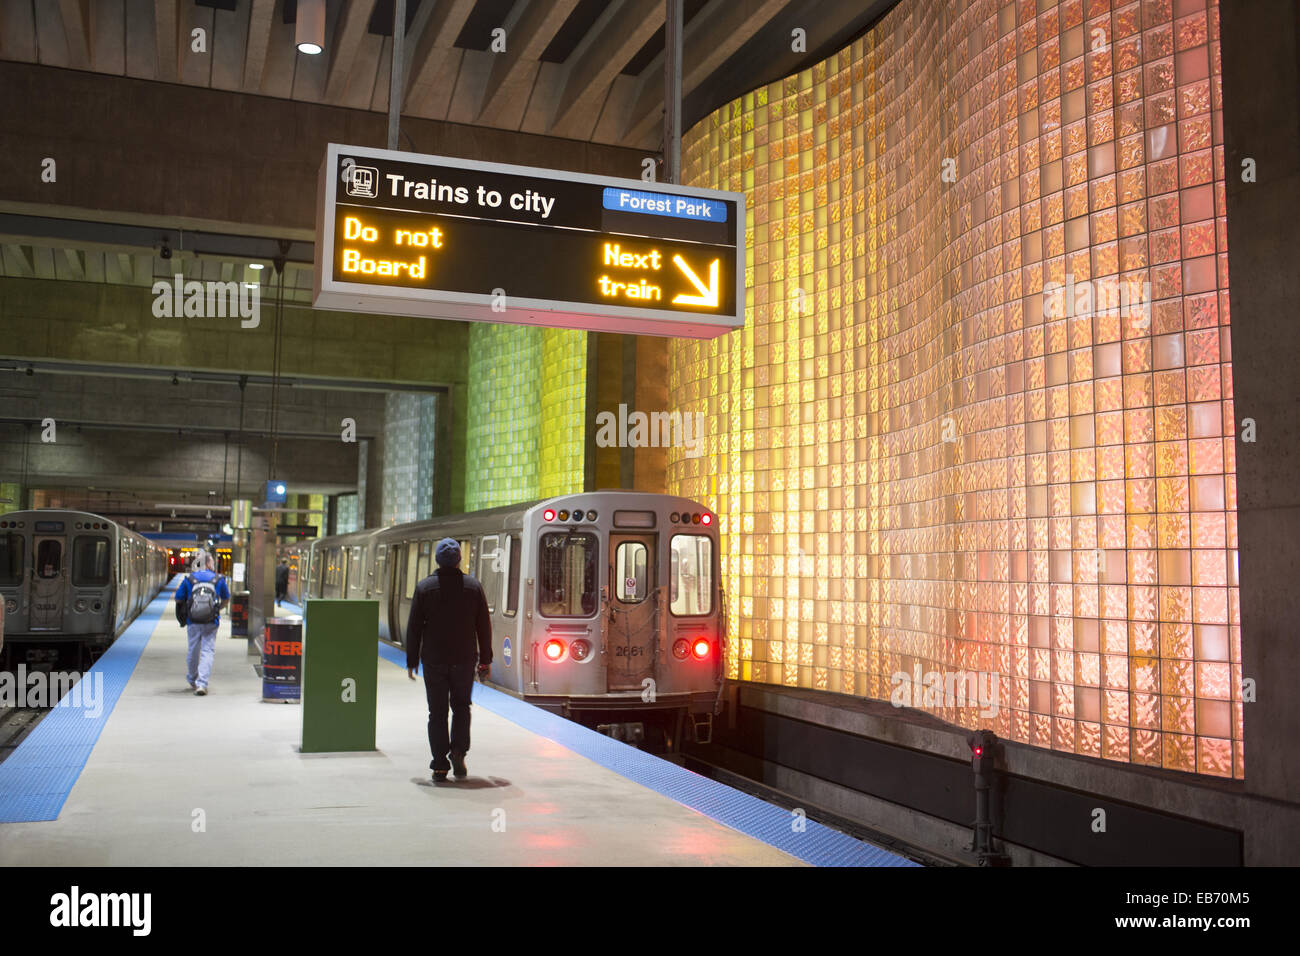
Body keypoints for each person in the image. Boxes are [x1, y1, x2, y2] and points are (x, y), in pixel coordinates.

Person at [406, 538, 492, 781]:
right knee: (462, 707)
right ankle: (458, 751)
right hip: (464, 659)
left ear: (436, 559)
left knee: (437, 711)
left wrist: (412, 660)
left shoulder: (424, 588)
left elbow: (415, 628)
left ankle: (440, 763)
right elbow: (483, 626)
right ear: (459, 559)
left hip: (434, 659)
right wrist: (485, 659)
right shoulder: (473, 587)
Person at [175, 551, 230, 696]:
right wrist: (217, 609)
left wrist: (187, 609)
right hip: (211, 621)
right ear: (208, 563)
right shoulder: (218, 579)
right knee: (207, 651)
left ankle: (192, 679)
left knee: (193, 649)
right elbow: (226, 598)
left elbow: (178, 598)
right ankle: (202, 683)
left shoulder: (190, 579)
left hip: (192, 621)